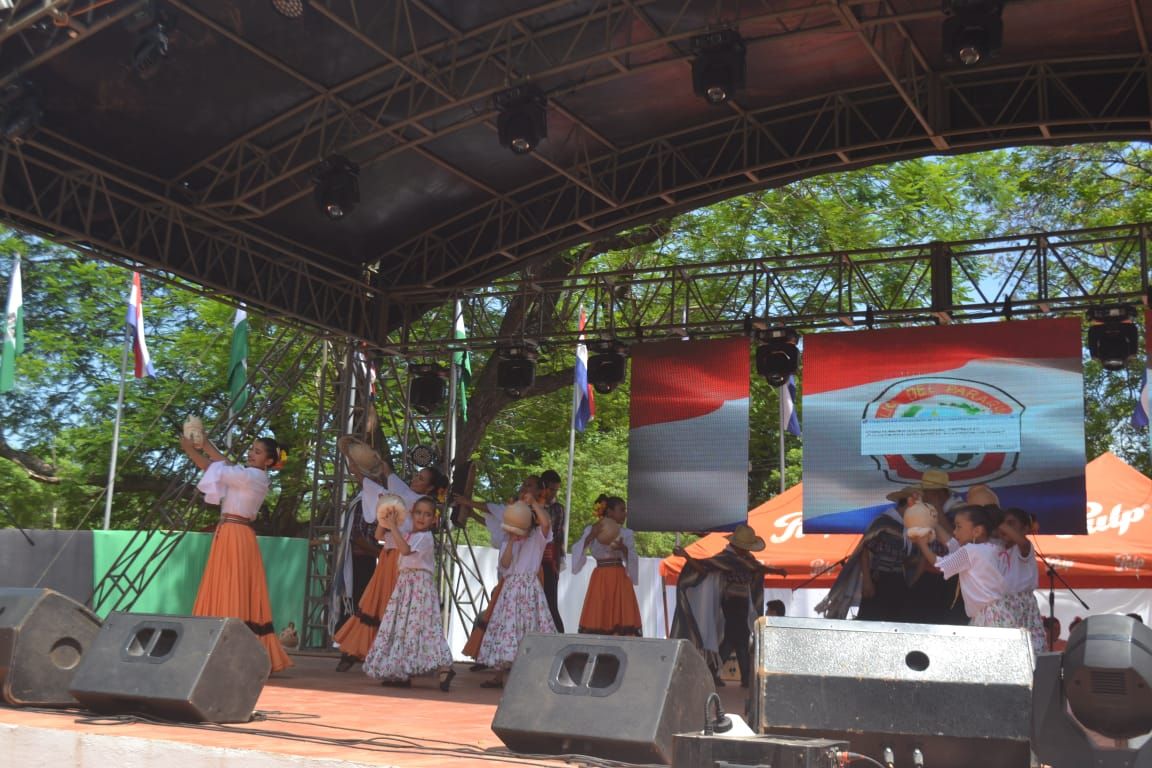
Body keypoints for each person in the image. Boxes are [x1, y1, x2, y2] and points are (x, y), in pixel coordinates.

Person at [180, 432, 293, 673]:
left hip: (236, 533)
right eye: (252, 449)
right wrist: (201, 446)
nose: (252, 454)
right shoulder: (249, 475)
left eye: (258, 452)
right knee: (226, 585)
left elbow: (215, 466)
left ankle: (232, 648)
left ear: (269, 462)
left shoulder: (253, 477)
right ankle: (228, 647)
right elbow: (223, 465)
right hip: (232, 532)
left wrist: (196, 448)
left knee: (231, 586)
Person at [671, 524, 784, 687]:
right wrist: (686, 556)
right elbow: (703, 568)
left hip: (743, 604)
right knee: (739, 638)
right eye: (745, 547)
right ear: (738, 546)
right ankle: (740, 677)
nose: (747, 550)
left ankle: (718, 673)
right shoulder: (726, 558)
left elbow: (758, 568)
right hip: (731, 603)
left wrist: (777, 571)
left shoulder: (747, 559)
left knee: (735, 639)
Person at [362, 496, 456, 690]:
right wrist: (388, 517)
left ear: (433, 519)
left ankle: (445, 667)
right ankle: (401, 671)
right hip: (406, 585)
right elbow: (379, 536)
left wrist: (394, 527)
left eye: (427, 514)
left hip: (420, 586)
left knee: (425, 626)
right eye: (419, 513)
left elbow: (404, 551)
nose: (422, 517)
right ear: (412, 514)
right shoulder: (409, 535)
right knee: (403, 628)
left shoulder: (425, 537)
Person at [455, 475, 538, 667]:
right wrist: (472, 514)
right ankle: (490, 655)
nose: (524, 487)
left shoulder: (535, 516)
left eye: (530, 485)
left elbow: (491, 508)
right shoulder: (513, 511)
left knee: (517, 616)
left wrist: (467, 502)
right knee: (498, 611)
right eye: (524, 484)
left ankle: (518, 660)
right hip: (508, 570)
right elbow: (497, 523)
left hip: (527, 575)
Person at [476, 494, 557, 688]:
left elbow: (546, 523)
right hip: (511, 591)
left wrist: (534, 504)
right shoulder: (506, 542)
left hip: (529, 589)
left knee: (529, 626)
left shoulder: (537, 539)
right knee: (506, 628)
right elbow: (504, 564)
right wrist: (512, 541)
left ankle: (530, 673)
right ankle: (499, 675)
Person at [332, 490, 409, 671]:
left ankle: (391, 656)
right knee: (369, 605)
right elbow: (378, 535)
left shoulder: (416, 509)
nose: (415, 480)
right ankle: (353, 650)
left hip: (399, 564)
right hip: (385, 562)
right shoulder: (396, 505)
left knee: (392, 609)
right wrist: (385, 514)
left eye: (421, 478)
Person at [909, 503, 1012, 628]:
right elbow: (952, 544)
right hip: (1001, 612)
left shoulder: (971, 551)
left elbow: (941, 565)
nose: (954, 531)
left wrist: (922, 544)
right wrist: (933, 524)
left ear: (977, 531)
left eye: (959, 527)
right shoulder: (993, 548)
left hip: (988, 617)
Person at [571, 495, 641, 636]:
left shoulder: (626, 533)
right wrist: (592, 535)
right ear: (609, 512)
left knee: (620, 618)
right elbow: (577, 549)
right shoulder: (593, 528)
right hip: (601, 577)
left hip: (619, 577)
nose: (625, 514)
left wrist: (623, 549)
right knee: (599, 614)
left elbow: (633, 557)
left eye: (625, 510)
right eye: (621, 510)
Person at [857, 487, 915, 622]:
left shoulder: (909, 527)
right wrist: (867, 581)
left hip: (899, 580)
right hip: (879, 579)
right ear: (909, 503)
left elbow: (906, 557)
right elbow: (863, 550)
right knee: (872, 621)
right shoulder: (881, 523)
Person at [998, 506, 1046, 655]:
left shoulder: (1024, 548)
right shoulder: (997, 548)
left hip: (1022, 605)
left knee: (1028, 650)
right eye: (1004, 523)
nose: (1005, 528)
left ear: (1025, 529)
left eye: (1011, 524)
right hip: (1002, 606)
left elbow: (1023, 543)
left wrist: (998, 522)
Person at [538, 469, 567, 633]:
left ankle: (559, 639)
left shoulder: (557, 509)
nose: (553, 493)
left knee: (550, 603)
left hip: (548, 560)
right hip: (530, 561)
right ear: (543, 486)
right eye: (551, 489)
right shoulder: (530, 505)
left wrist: (556, 563)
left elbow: (557, 538)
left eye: (556, 490)